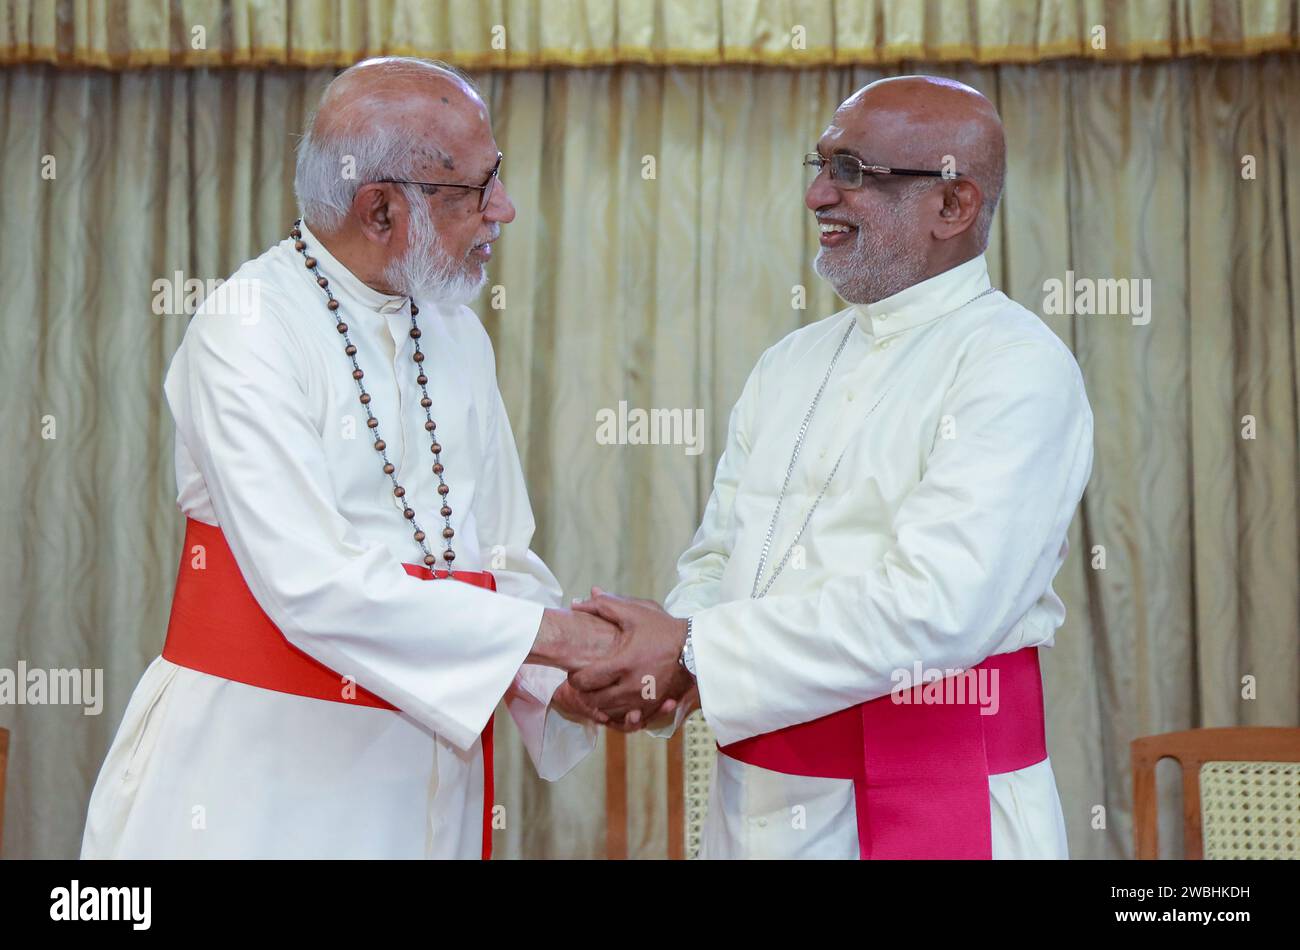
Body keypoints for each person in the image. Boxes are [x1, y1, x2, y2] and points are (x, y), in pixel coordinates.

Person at [82, 57, 623, 859]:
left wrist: (570, 685)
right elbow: (315, 586)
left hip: (425, 775)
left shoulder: (455, 329)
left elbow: (499, 555)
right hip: (260, 778)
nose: (503, 210)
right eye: (477, 189)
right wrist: (562, 639)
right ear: (379, 209)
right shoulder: (249, 325)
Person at [571, 76, 1094, 859]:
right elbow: (720, 556)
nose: (817, 195)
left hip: (938, 795)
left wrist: (689, 649)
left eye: (851, 171)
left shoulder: (1017, 367)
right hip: (762, 799)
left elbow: (937, 609)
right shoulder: (790, 361)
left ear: (953, 205)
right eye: (817, 165)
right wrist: (673, 662)